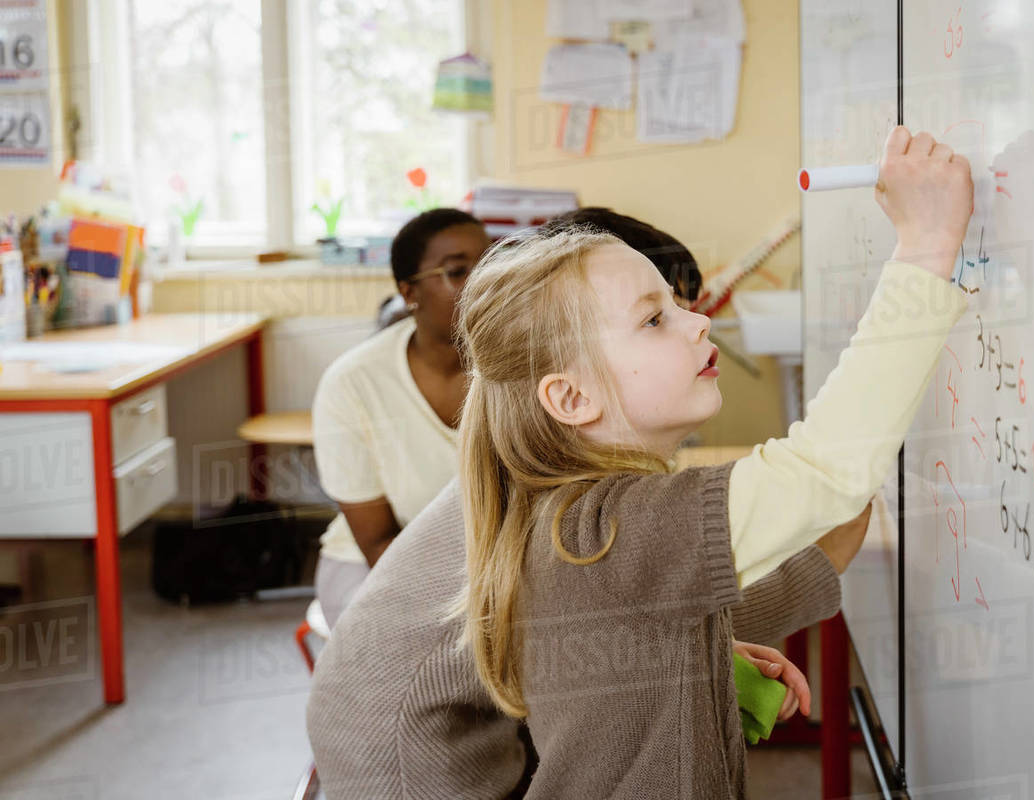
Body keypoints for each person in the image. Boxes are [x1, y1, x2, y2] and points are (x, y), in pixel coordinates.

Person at [454, 126, 973, 797]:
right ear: (571, 397)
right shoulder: (612, 528)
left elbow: (617, 644)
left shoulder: (578, 516)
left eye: (677, 307)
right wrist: (927, 247)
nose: (697, 323)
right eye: (654, 320)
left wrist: (700, 660)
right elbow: (825, 469)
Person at [306, 208, 872, 798]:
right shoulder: (568, 495)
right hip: (402, 757)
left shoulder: (554, 449)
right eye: (654, 317)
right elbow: (634, 603)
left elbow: (622, 614)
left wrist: (717, 651)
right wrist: (819, 554)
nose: (696, 325)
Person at [311, 208, 489, 628]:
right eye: (458, 271)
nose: (484, 284)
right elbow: (376, 543)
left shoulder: (520, 368)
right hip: (372, 565)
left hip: (493, 563)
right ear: (409, 292)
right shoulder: (353, 384)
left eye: (491, 264)